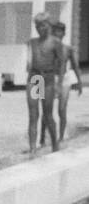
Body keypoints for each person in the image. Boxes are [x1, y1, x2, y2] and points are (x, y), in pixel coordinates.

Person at [27, 13, 62, 154]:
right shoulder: (32, 42)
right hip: (35, 78)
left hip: (48, 79)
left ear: (48, 26)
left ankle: (54, 144)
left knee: (48, 114)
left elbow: (61, 63)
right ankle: (32, 148)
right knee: (33, 114)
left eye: (43, 25)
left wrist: (59, 84)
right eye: (38, 26)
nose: (40, 28)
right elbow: (29, 61)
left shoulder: (55, 42)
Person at [45, 21, 80, 146]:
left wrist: (79, 82)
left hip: (65, 79)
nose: (57, 34)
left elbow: (75, 66)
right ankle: (43, 138)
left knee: (61, 109)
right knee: (47, 109)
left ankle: (61, 136)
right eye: (54, 32)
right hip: (50, 78)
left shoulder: (68, 49)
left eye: (59, 32)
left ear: (64, 33)